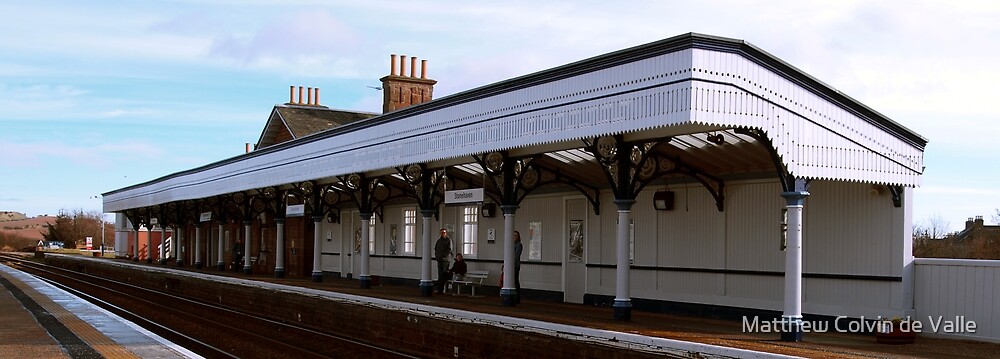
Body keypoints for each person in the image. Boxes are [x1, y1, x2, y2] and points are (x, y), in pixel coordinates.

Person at [434, 228, 452, 293]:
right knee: (440, 274)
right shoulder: (439, 241)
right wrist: (437, 256)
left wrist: (443, 256)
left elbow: (449, 250)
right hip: (439, 260)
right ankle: (440, 289)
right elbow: (436, 249)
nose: (442, 234)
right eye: (441, 233)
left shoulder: (448, 241)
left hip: (445, 261)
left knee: (444, 274)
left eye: (444, 233)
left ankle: (443, 288)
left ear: (446, 233)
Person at [513, 230, 523, 303]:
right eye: (513, 235)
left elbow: (516, 256)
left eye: (516, 235)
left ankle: (517, 298)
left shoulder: (519, 245)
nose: (514, 237)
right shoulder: (511, 244)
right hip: (511, 265)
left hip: (515, 265)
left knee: (515, 281)